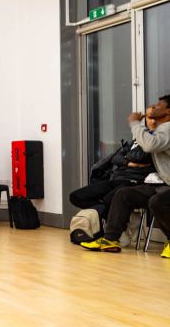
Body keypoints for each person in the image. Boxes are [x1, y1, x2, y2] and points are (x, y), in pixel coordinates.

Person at [81, 95, 170, 253]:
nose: (154, 107)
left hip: (164, 187)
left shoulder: (168, 127)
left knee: (157, 201)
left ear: (168, 111)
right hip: (163, 184)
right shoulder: (161, 129)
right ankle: (110, 239)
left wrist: (134, 122)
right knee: (124, 194)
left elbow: (150, 145)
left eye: (158, 105)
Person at [68, 108, 157, 237]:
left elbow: (141, 156)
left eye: (155, 117)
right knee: (77, 196)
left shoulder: (156, 140)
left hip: (135, 181)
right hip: (116, 178)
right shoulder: (136, 139)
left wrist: (127, 158)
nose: (152, 121)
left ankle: (113, 229)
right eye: (149, 117)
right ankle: (127, 219)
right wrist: (128, 161)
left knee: (109, 199)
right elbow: (115, 158)